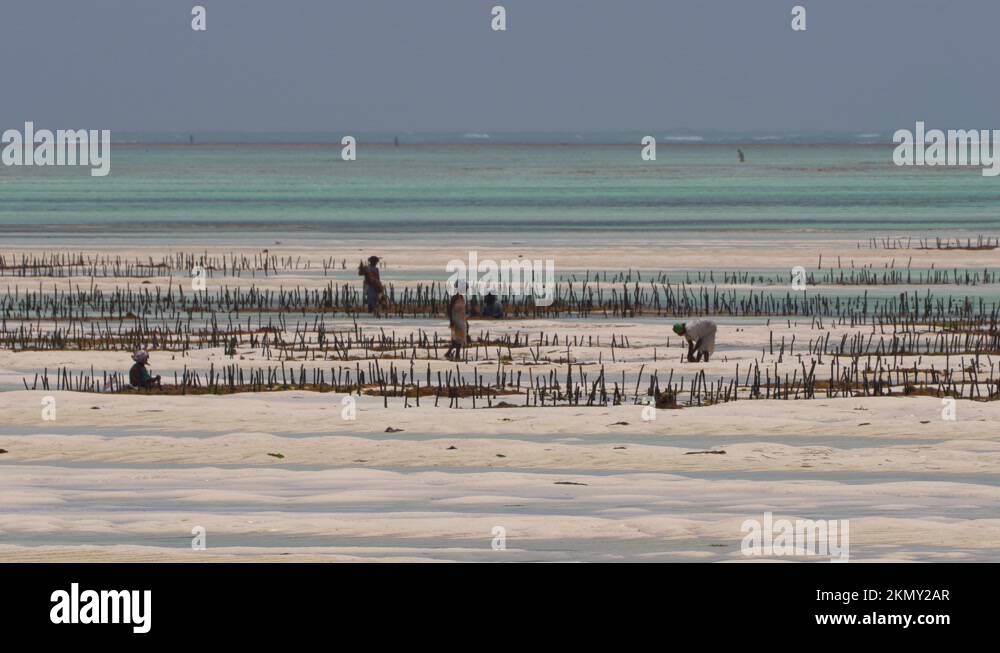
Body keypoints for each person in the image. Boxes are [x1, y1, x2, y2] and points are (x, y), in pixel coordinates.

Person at [444, 288, 468, 360]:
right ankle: (456, 355)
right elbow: (449, 309)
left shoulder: (462, 297)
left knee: (459, 339)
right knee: (457, 339)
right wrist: (451, 320)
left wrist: (466, 321)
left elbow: (463, 311)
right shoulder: (455, 297)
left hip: (462, 321)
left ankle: (450, 353)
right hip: (456, 320)